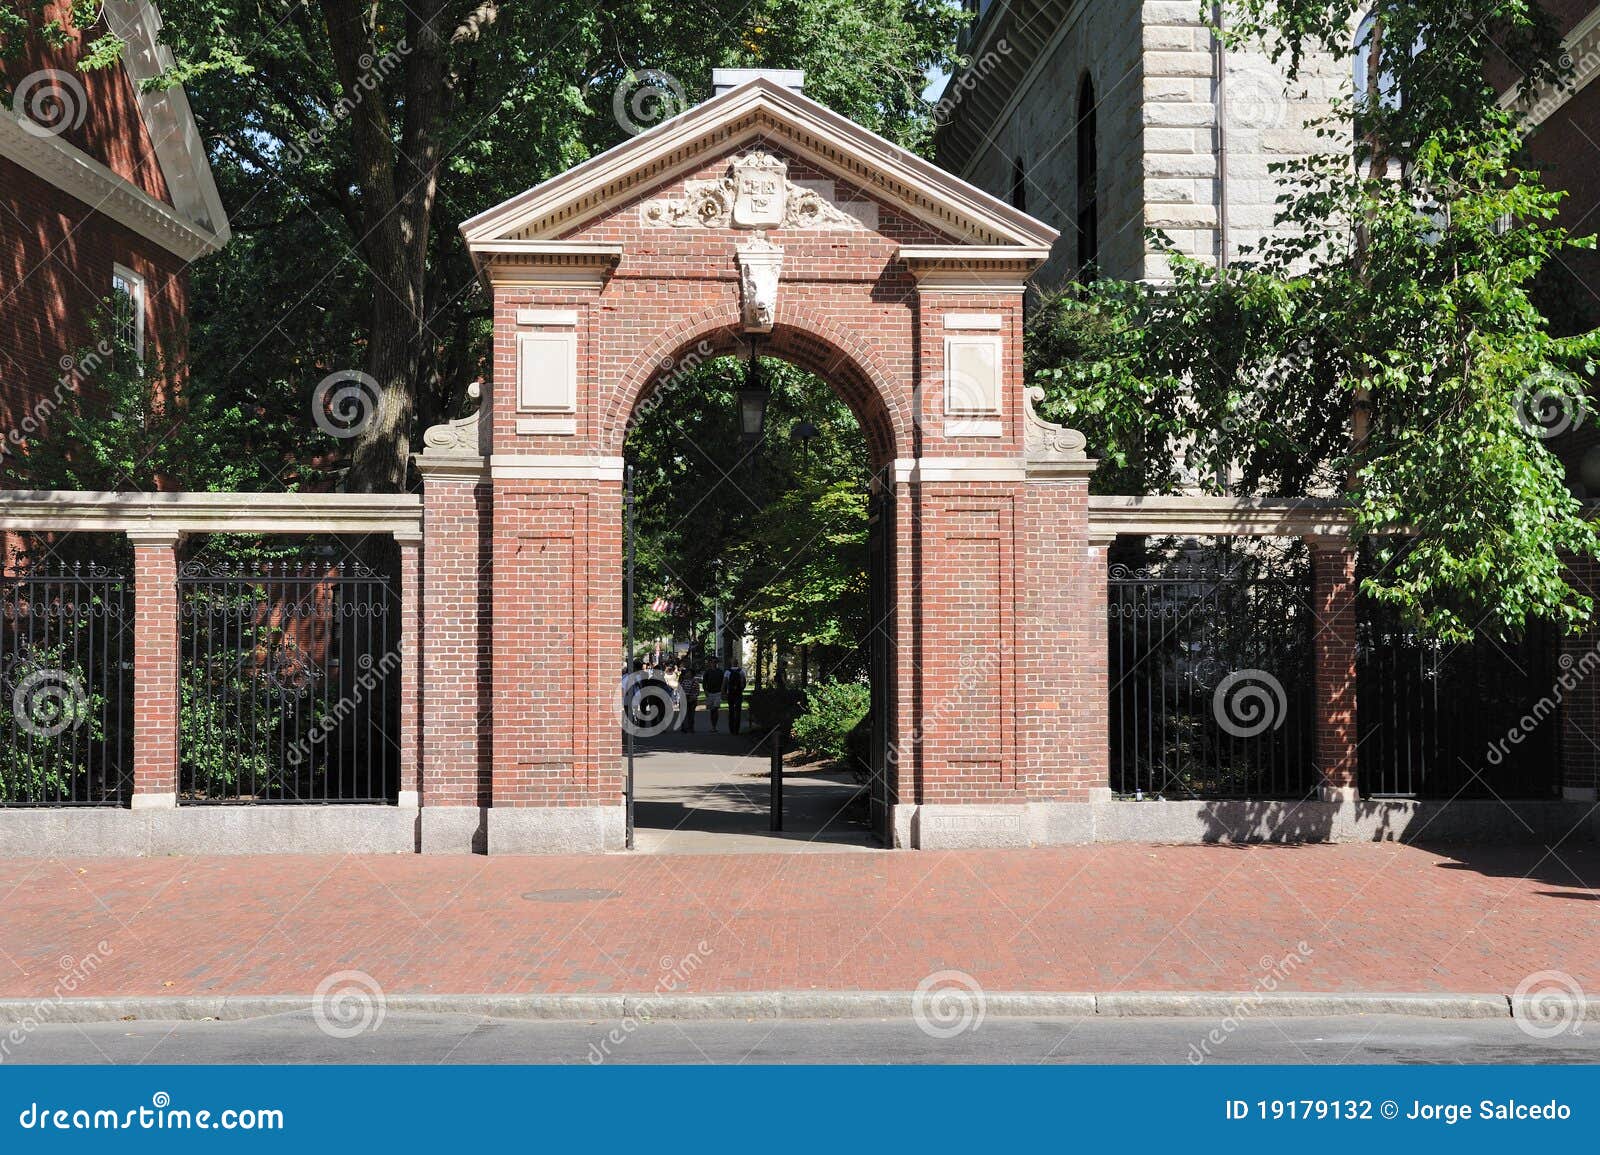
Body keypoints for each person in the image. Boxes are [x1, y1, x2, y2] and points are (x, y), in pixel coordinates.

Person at [724, 660, 747, 734]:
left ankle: (731, 729)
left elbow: (725, 683)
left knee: (731, 710)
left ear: (732, 663)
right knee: (738, 711)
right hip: (738, 693)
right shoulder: (741, 671)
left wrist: (724, 692)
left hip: (730, 693)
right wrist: (741, 689)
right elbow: (744, 683)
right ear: (737, 663)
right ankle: (737, 729)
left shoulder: (727, 672)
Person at [702, 658, 724, 732]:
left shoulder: (720, 672)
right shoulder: (707, 672)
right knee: (712, 710)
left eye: (715, 662)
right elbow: (704, 682)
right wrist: (705, 691)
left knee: (715, 708)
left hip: (718, 692)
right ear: (710, 663)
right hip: (710, 693)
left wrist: (723, 691)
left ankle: (714, 726)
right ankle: (713, 726)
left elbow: (723, 682)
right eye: (712, 662)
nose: (713, 663)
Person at [677, 664, 700, 733]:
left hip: (692, 700)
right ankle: (684, 727)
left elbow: (697, 692)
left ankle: (690, 727)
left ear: (692, 674)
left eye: (688, 673)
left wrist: (693, 698)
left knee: (691, 714)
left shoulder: (695, 682)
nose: (687, 674)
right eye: (687, 673)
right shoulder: (683, 681)